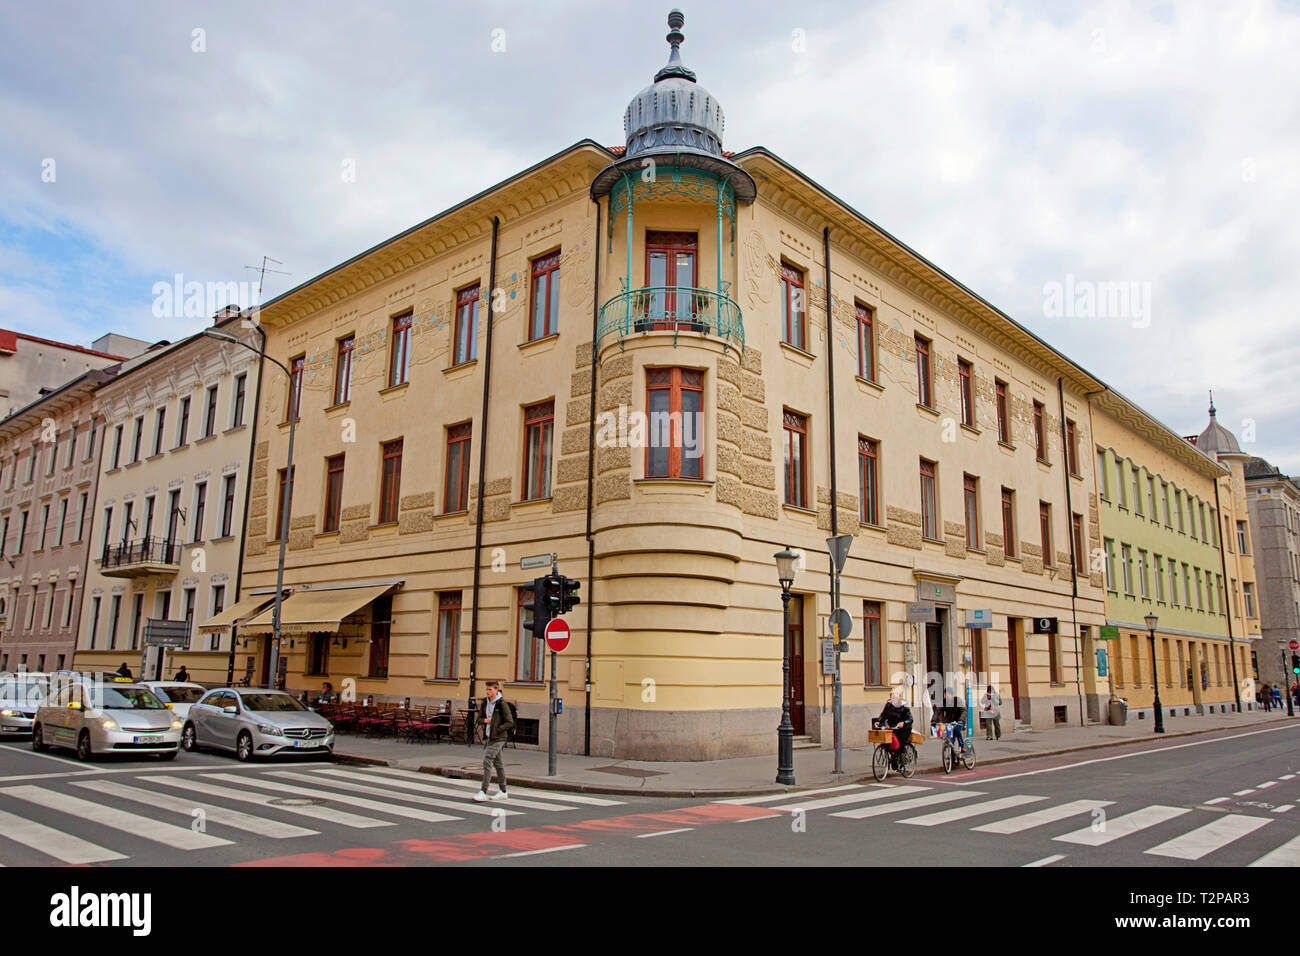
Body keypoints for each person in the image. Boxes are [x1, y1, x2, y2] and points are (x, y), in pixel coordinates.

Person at [474, 679, 515, 801]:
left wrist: (498, 729)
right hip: (490, 737)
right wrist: (485, 721)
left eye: (490, 689)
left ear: (496, 690)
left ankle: (483, 791)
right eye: (487, 689)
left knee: (487, 760)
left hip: (499, 737)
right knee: (498, 764)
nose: (488, 692)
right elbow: (479, 719)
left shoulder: (501, 704)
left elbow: (510, 722)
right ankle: (503, 791)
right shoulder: (485, 703)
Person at [877, 693, 913, 768]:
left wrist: (903, 723)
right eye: (891, 698)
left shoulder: (904, 707)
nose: (892, 700)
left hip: (904, 729)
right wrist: (879, 721)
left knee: (900, 744)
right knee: (889, 743)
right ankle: (894, 757)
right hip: (893, 728)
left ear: (898, 699)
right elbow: (883, 715)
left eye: (894, 699)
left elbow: (910, 719)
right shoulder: (888, 705)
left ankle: (902, 760)